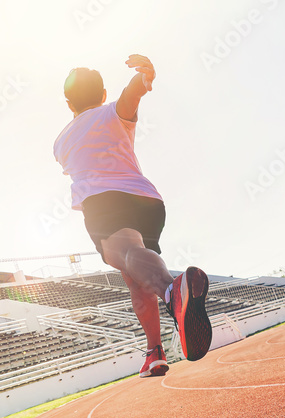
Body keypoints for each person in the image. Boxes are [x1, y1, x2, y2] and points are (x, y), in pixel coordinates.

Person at [53, 54, 212, 376]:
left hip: (104, 202)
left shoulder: (60, 143)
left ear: (68, 103)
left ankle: (172, 292)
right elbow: (131, 97)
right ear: (101, 94)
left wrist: (139, 84)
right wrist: (144, 78)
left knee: (125, 254)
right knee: (135, 273)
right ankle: (154, 351)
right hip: (148, 201)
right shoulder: (112, 112)